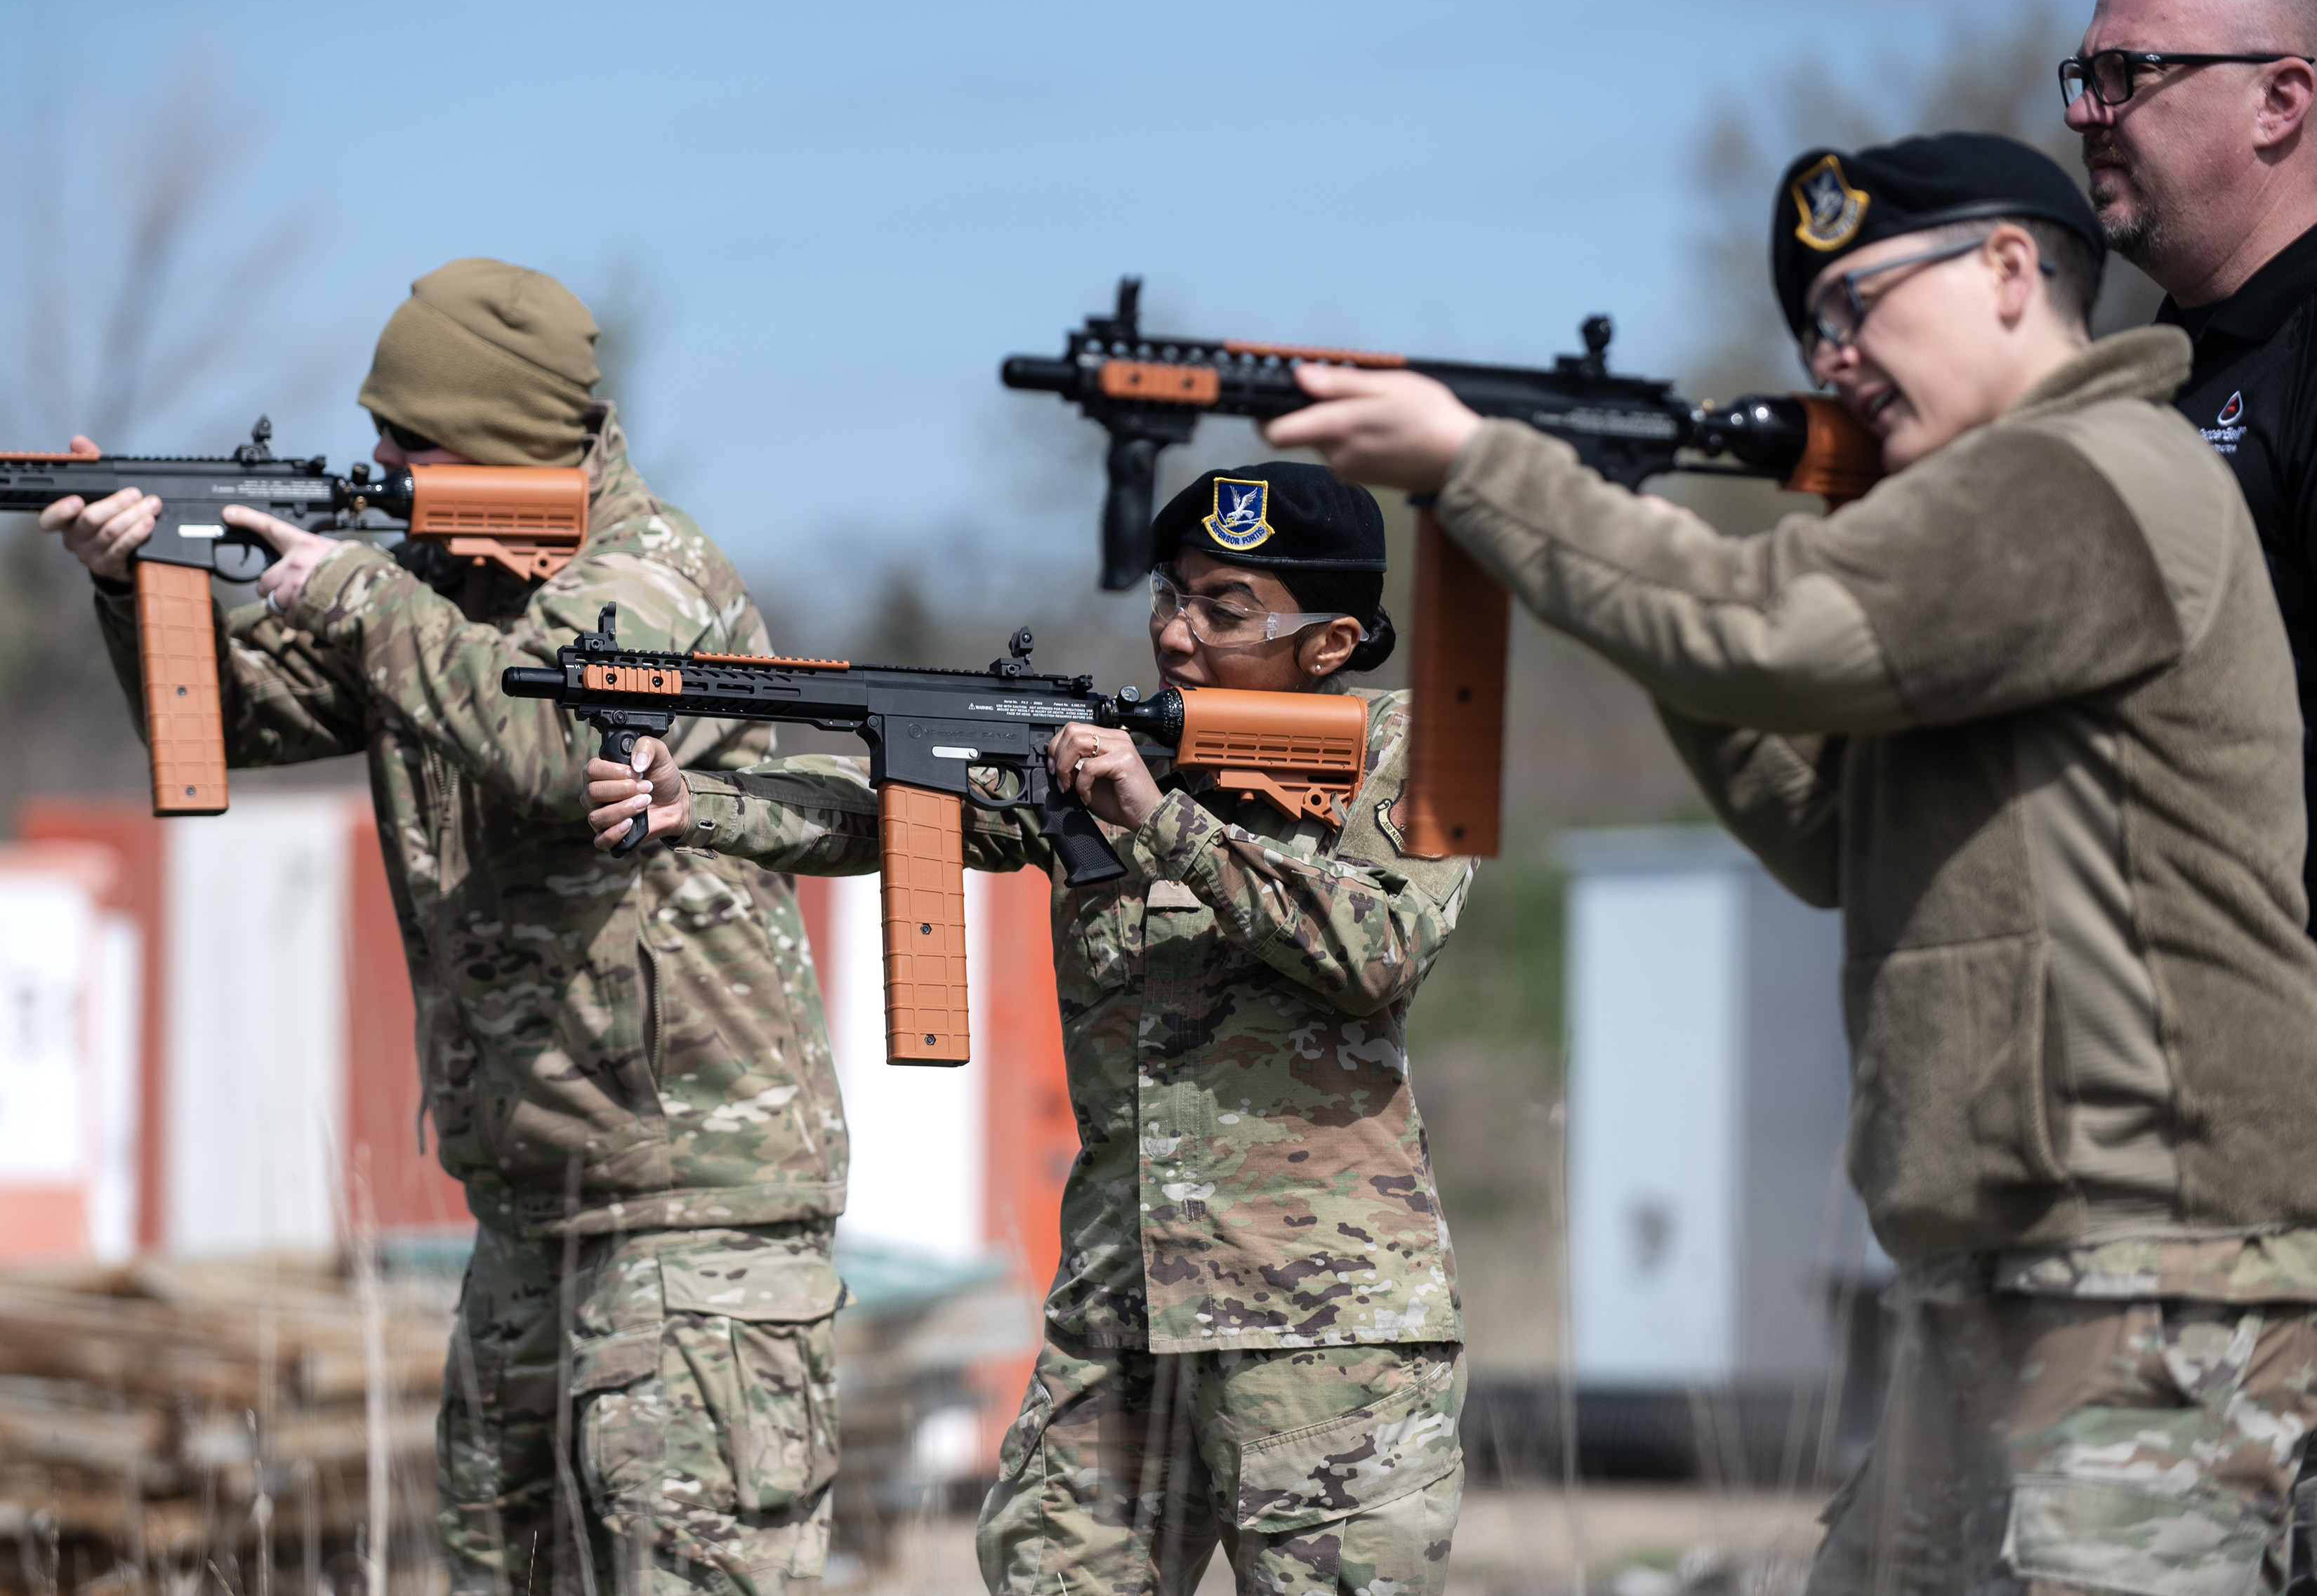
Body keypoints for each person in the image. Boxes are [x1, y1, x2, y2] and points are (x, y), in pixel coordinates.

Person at [1263, 133, 2317, 1588]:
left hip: (2147, 1261)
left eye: (1861, 307)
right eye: (1816, 330)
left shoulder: (2084, 477)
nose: (1836, 362)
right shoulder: (1998, 522)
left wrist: (1488, 472)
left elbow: (1773, 625)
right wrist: (1637, 570)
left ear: (2010, 272)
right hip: (2013, 1260)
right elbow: (1821, 826)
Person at [41, 258, 847, 1595]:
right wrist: (144, 582)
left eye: (407, 436)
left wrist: (358, 595)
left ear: (502, 437)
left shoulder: (649, 576)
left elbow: (552, 747)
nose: (375, 458)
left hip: (696, 1210)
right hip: (537, 1199)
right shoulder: (438, 578)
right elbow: (233, 721)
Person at [587, 463, 1480, 1595]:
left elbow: (1380, 947)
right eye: (1170, 595)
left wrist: (1167, 826)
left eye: (1225, 607)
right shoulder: (1112, 755)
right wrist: (698, 802)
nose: (1177, 632)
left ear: (1332, 642)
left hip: (1321, 1330)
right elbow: (889, 802)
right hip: (1121, 1309)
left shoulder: (1415, 748)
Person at [2063, 0, 2317, 925]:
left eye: (2127, 74)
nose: (2087, 111)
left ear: (2279, 101)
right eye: (2084, 76)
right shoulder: (2151, 379)